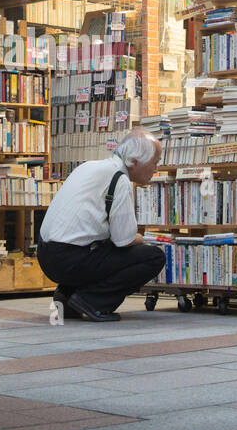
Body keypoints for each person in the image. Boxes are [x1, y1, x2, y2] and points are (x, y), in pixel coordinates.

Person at [37, 128, 166, 322]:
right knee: (153, 256)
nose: (156, 169)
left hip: (46, 254)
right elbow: (124, 240)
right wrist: (141, 238)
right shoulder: (119, 178)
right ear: (135, 160)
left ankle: (65, 297)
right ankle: (93, 301)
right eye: (154, 162)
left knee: (102, 245)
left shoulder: (89, 166)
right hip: (70, 259)